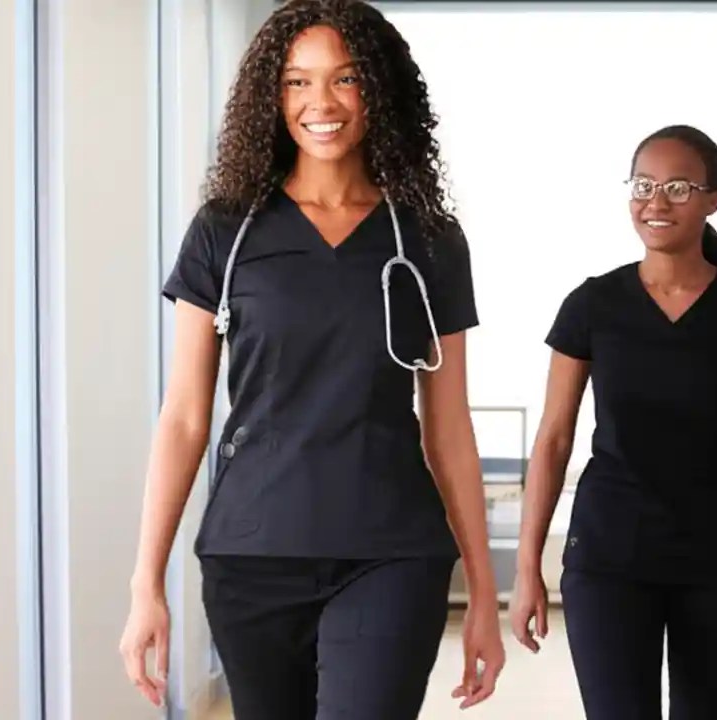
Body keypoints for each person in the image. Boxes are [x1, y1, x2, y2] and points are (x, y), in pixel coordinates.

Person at [116, 2, 506, 717]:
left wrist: (484, 589)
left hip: (392, 550)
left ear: (379, 90)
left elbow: (448, 426)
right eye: (297, 82)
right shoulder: (225, 232)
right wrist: (147, 583)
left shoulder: (426, 239)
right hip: (253, 554)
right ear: (272, 95)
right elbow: (183, 418)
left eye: (345, 79)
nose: (319, 103)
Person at [509, 125, 717, 720]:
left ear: (713, 198)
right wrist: (526, 568)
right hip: (609, 555)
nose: (656, 201)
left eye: (677, 186)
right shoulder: (592, 305)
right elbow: (554, 440)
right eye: (643, 184)